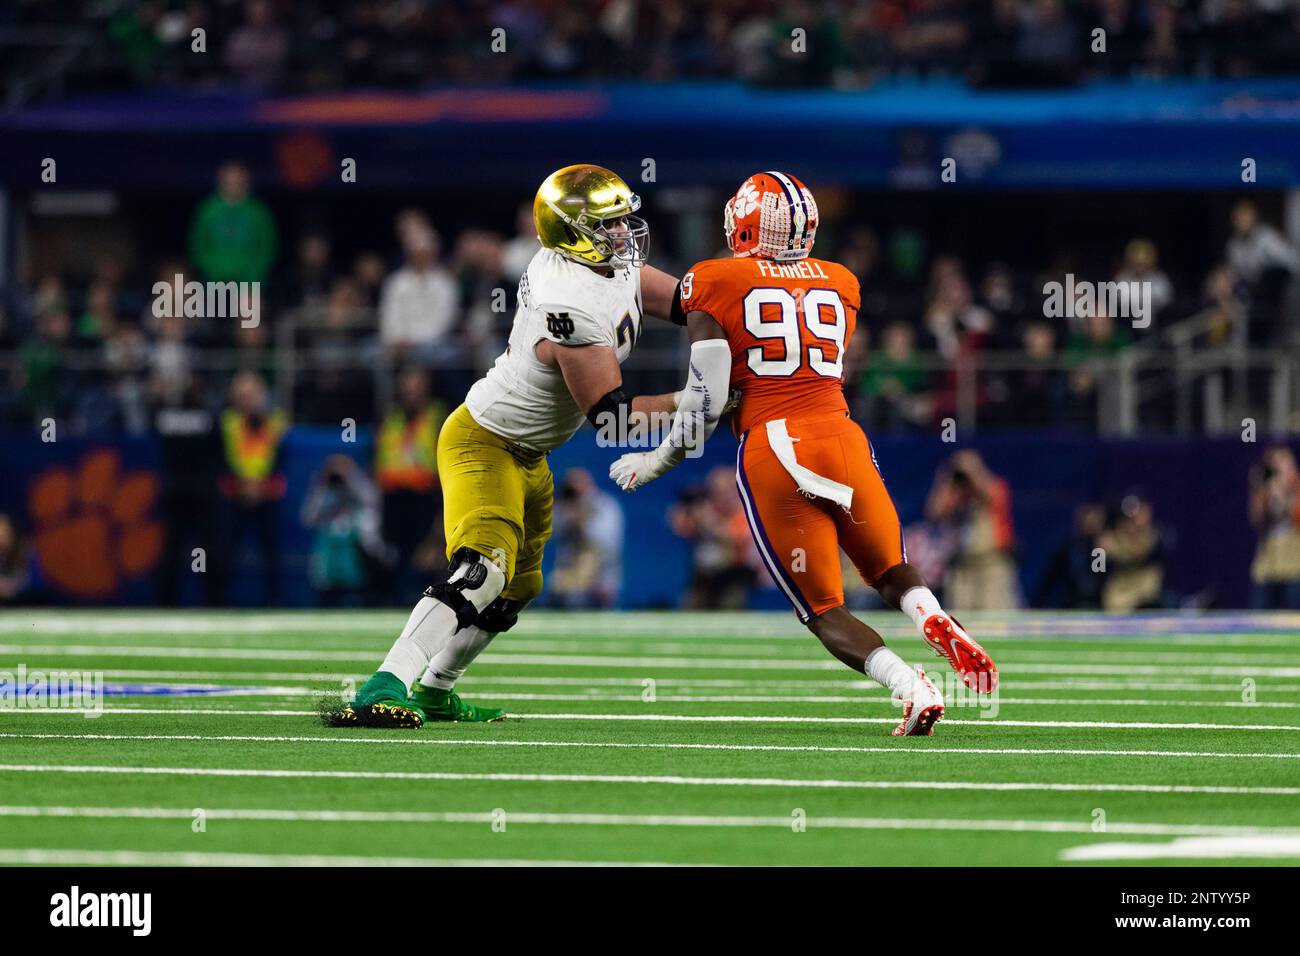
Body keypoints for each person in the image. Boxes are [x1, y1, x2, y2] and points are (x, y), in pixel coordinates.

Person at [609, 171, 998, 737]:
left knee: (822, 606)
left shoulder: (713, 279)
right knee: (888, 567)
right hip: (841, 433)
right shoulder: (842, 281)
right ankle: (932, 614)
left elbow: (708, 399)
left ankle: (911, 687)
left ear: (742, 224)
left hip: (774, 444)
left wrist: (657, 460)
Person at [329, 164, 683, 728]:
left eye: (622, 221)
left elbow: (686, 301)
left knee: (515, 588)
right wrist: (695, 398)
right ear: (573, 232)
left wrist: (741, 309)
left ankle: (436, 689)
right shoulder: (568, 302)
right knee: (481, 572)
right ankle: (384, 683)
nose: (623, 233)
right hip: (486, 441)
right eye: (608, 224)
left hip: (530, 453)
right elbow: (613, 421)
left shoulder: (600, 263)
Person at [926, 450, 1020, 611]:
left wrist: (972, 469)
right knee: (960, 619)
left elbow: (989, 493)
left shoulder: (996, 486)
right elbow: (934, 511)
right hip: (962, 567)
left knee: (995, 618)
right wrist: (947, 478)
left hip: (991, 564)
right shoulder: (955, 495)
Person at [548, 468, 624, 609]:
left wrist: (584, 523)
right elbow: (551, 532)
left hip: (601, 574)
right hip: (568, 571)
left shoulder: (605, 506)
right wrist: (568, 516)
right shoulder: (564, 506)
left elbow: (606, 541)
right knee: (556, 585)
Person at [1249, 447, 1300, 609]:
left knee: (1293, 610)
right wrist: (1258, 489)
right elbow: (1257, 520)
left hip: (1293, 561)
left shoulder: (1297, 487)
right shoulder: (1266, 489)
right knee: (1260, 609)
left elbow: (1296, 517)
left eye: (1281, 464)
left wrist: (1283, 495)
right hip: (1269, 560)